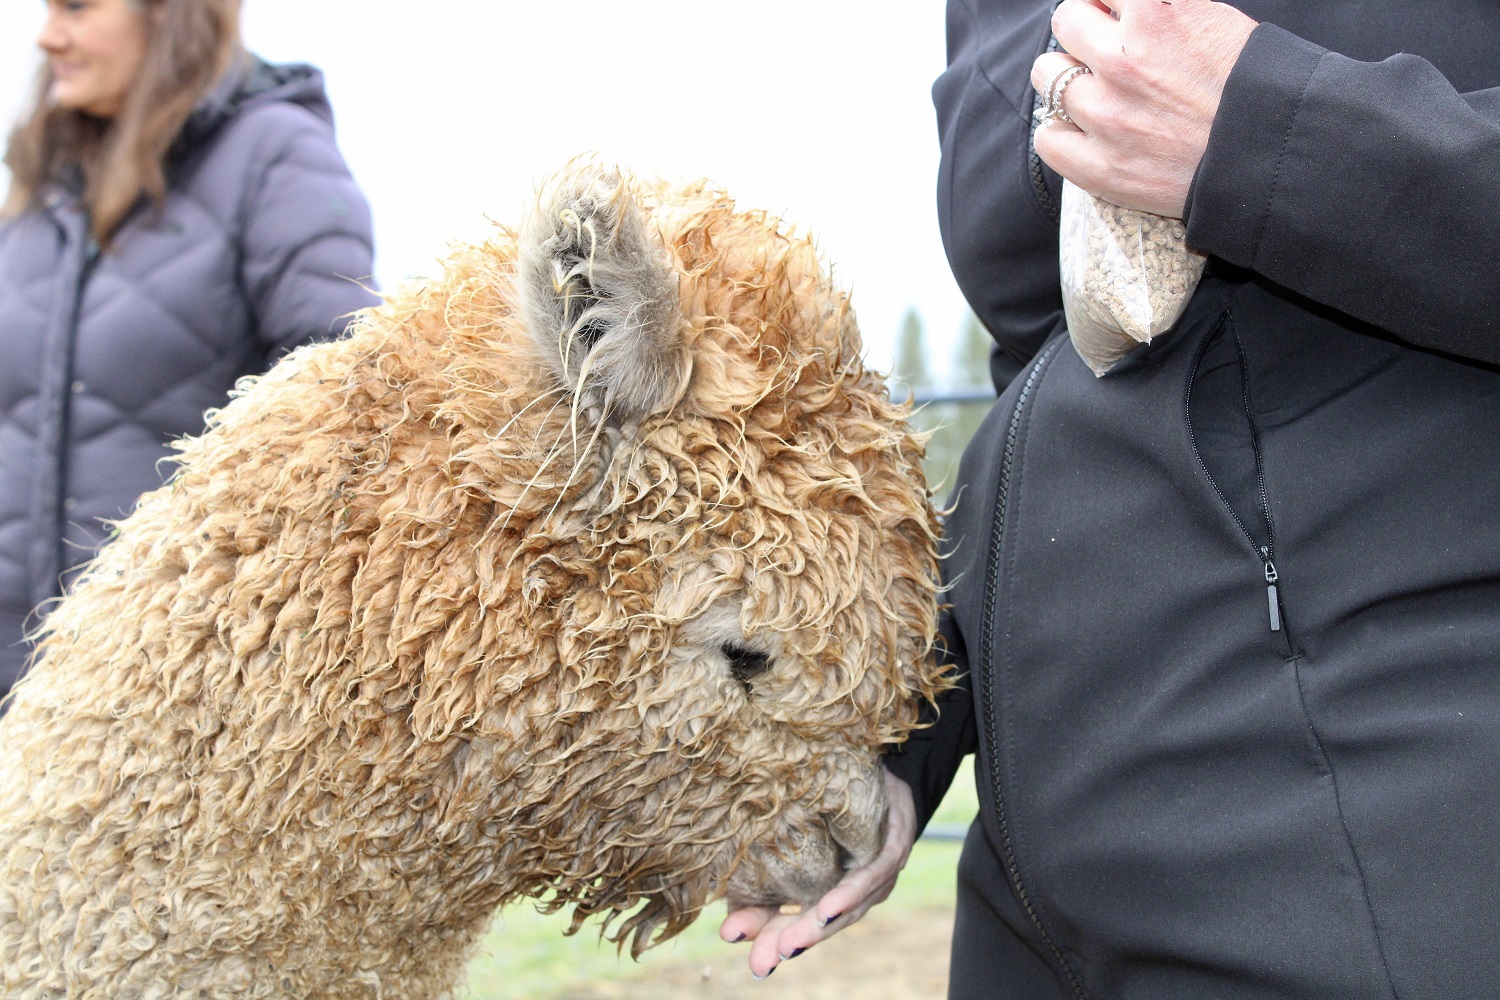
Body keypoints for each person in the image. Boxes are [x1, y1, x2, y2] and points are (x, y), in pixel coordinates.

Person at [722, 0, 1500, 995]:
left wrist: (1271, 137)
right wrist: (901, 727)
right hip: (1035, 892)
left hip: (1388, 825)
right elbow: (1041, 383)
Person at [0, 0, 377, 703]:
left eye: (76, 7)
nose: (48, 35)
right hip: (14, 678)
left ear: (167, 15)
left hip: (168, 686)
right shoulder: (45, 173)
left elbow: (348, 400)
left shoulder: (275, 154)